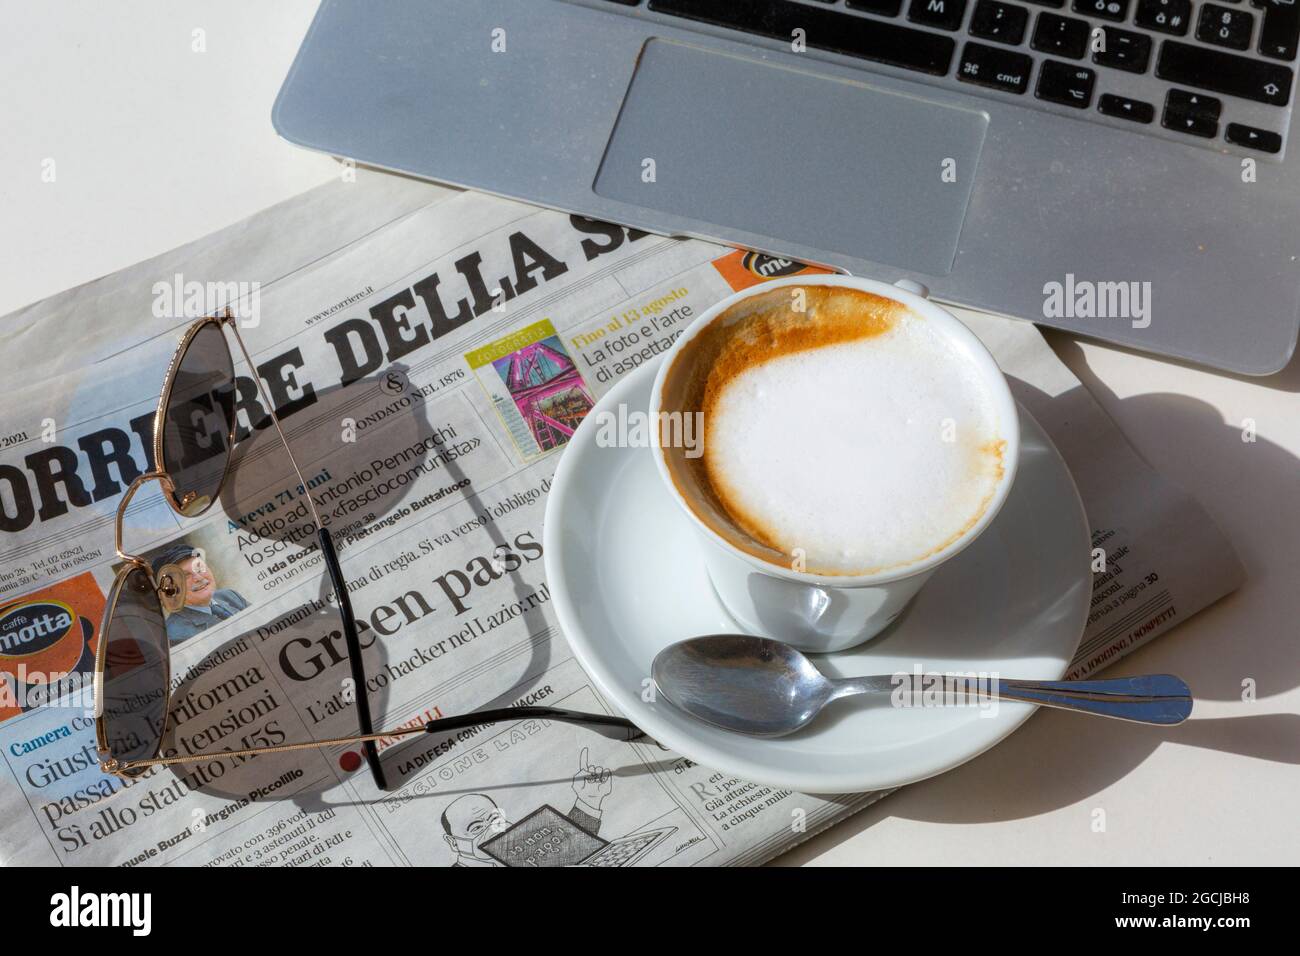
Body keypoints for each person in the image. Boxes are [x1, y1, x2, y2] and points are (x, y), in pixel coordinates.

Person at [150, 544, 249, 644]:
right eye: (185, 575)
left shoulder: (230, 595)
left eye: (199, 568)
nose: (199, 578)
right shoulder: (174, 636)